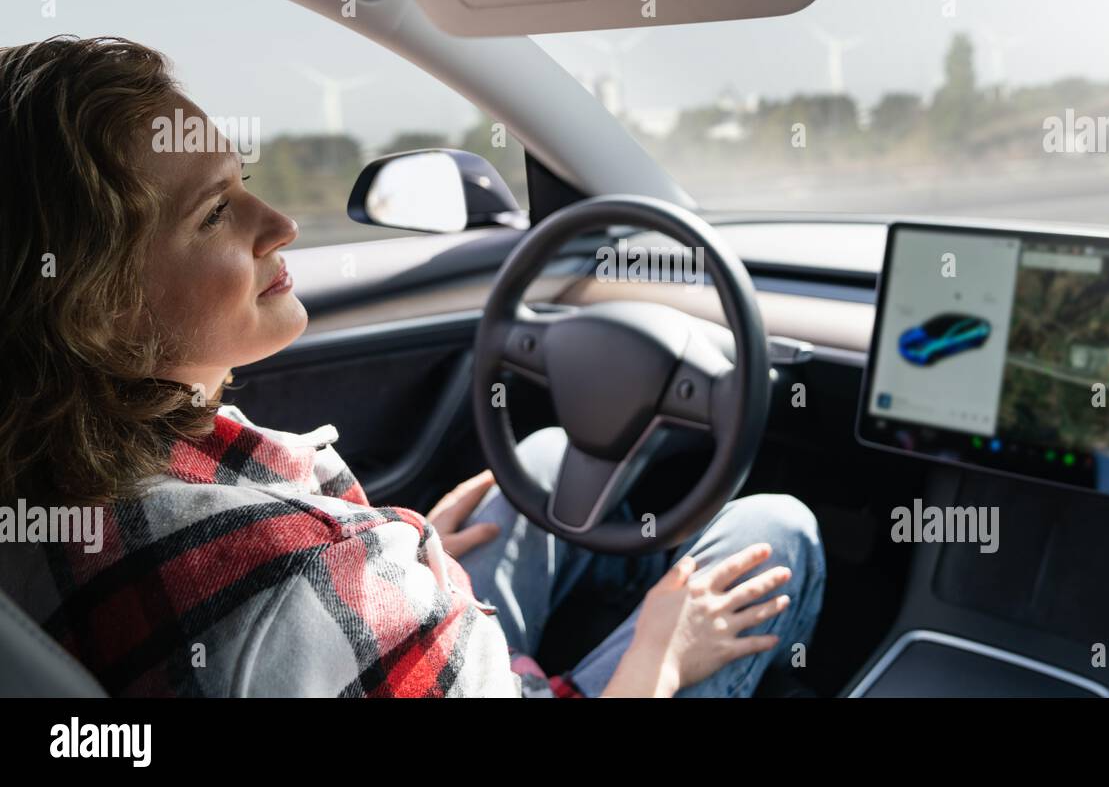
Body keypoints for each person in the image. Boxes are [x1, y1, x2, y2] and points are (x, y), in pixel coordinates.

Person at [0, 35, 825, 697]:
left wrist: (405, 554)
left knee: (534, 469)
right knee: (777, 530)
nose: (281, 221)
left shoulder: (46, 477)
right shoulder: (295, 572)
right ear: (96, 308)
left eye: (242, 182)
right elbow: (288, 590)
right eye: (216, 210)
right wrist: (662, 657)